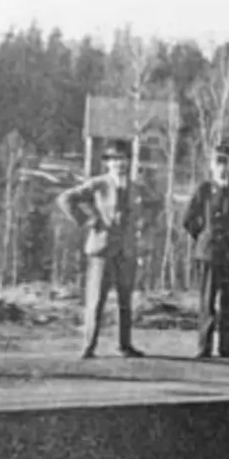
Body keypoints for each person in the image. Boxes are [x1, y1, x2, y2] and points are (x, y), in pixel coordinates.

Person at [56, 139, 148, 359]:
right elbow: (65, 198)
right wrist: (87, 220)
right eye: (114, 160)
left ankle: (124, 345)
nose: (120, 164)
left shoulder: (136, 188)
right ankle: (89, 345)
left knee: (125, 301)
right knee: (96, 300)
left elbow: (156, 204)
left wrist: (144, 227)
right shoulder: (98, 184)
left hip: (126, 251)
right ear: (107, 163)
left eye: (123, 159)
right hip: (102, 250)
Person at [182, 143, 229, 359]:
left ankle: (227, 348)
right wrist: (203, 237)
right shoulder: (204, 190)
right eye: (218, 162)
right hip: (209, 253)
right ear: (212, 165)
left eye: (225, 162)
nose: (222, 167)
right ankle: (204, 348)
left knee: (228, 302)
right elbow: (189, 219)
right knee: (207, 302)